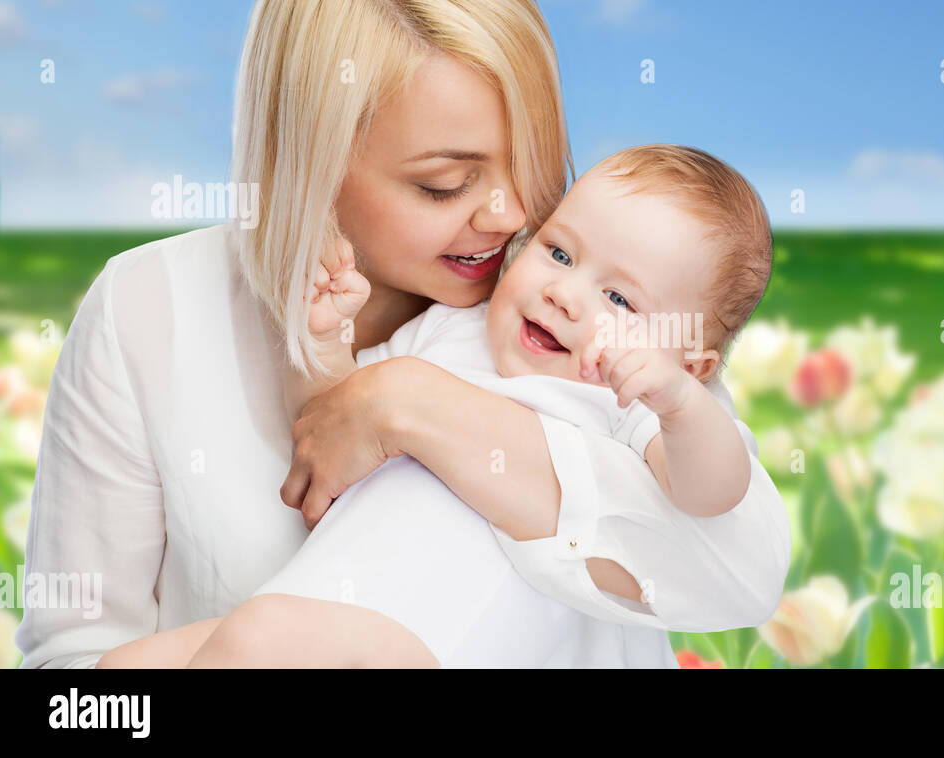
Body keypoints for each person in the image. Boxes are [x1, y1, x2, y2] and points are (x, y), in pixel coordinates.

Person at [17, 0, 789, 669]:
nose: (512, 216)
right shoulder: (149, 309)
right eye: (444, 185)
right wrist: (332, 359)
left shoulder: (626, 347)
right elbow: (326, 426)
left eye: (530, 163)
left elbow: (737, 564)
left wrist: (411, 405)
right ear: (309, 160)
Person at [97, 144, 774, 667]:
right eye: (560, 251)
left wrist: (683, 404)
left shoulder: (630, 405)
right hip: (320, 598)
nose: (566, 294)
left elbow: (711, 496)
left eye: (620, 299)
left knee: (258, 637)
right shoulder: (452, 333)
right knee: (125, 669)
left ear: (693, 362)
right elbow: (331, 426)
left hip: (422, 638)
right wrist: (324, 342)